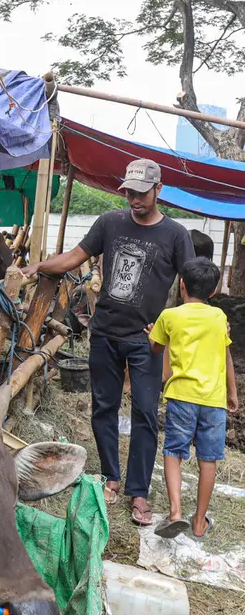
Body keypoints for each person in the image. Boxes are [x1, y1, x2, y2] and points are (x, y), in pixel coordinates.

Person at [22, 158, 194, 525]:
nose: (133, 199)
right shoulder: (109, 223)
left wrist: (180, 325)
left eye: (141, 193)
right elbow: (75, 257)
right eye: (129, 192)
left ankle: (140, 493)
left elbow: (190, 283)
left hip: (148, 340)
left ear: (158, 190)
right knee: (104, 408)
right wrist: (37, 267)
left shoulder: (177, 235)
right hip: (105, 333)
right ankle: (111, 478)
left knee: (146, 414)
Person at [148, 257, 238, 540]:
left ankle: (175, 513)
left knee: (174, 452)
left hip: (182, 396)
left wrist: (152, 335)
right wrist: (232, 393)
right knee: (208, 459)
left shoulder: (169, 316)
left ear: (182, 285)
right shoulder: (219, 318)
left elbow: (155, 349)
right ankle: (199, 522)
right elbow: (227, 356)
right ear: (213, 292)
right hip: (214, 400)